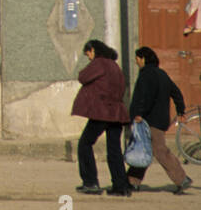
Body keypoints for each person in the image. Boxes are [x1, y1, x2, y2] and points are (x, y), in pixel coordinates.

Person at [125, 46, 192, 194]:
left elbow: (145, 97)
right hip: (158, 120)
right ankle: (131, 181)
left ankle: (182, 179)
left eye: (137, 59)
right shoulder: (162, 74)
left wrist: (140, 113)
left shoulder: (146, 75)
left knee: (159, 151)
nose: (136, 62)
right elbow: (176, 93)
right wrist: (181, 110)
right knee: (142, 150)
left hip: (149, 120)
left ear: (143, 59)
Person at [71, 40, 131, 197]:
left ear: (93, 50)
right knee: (114, 150)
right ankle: (120, 185)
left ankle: (90, 182)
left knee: (85, 144)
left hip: (102, 112)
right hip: (117, 113)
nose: (89, 58)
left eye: (88, 54)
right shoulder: (114, 66)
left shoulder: (99, 63)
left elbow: (83, 77)